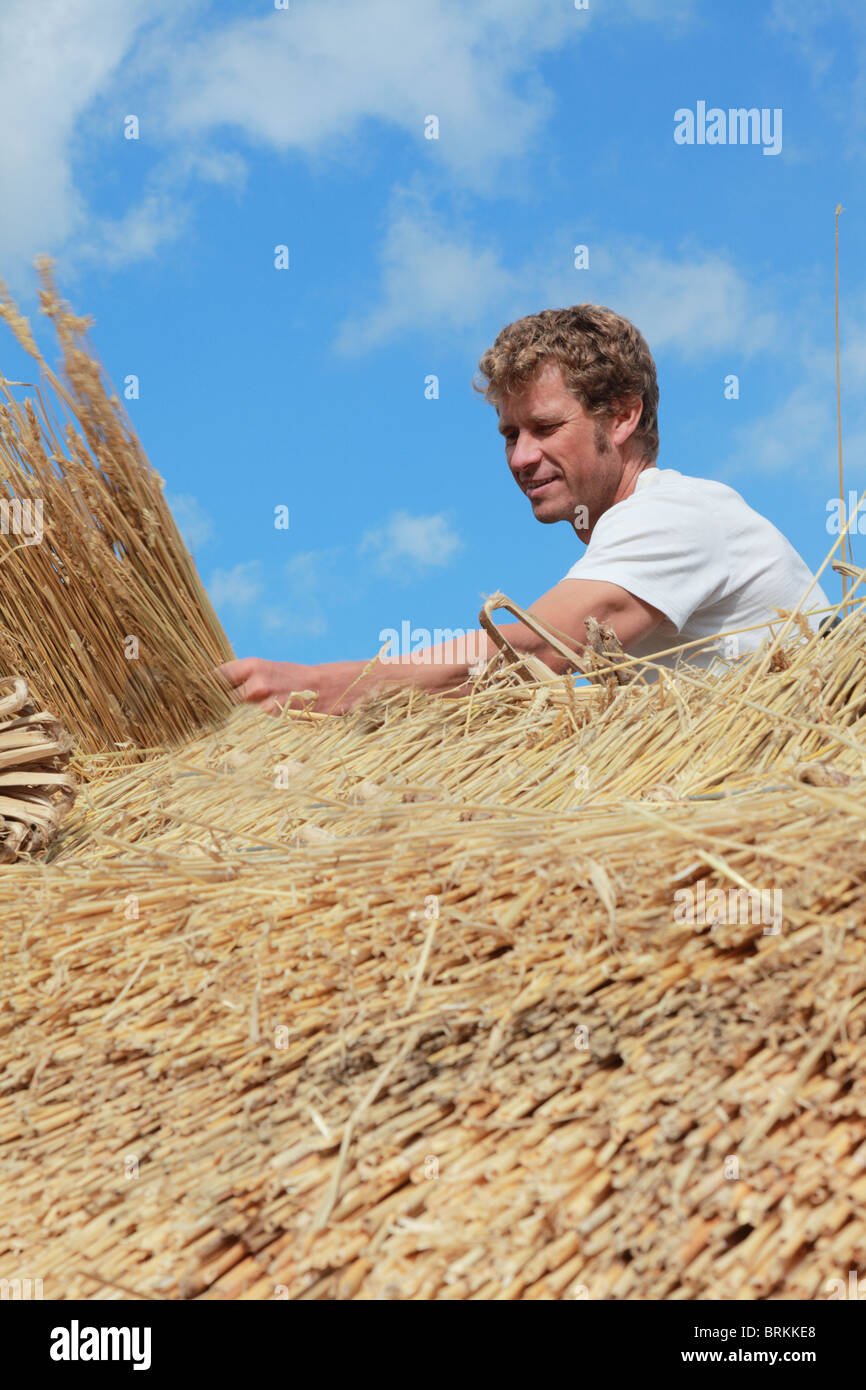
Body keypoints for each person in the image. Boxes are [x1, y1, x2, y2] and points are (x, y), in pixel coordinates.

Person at [218, 304, 831, 714]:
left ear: (621, 416)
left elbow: (534, 651)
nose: (520, 458)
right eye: (511, 435)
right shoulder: (632, 534)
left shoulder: (677, 515)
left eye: (544, 427)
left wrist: (323, 688)